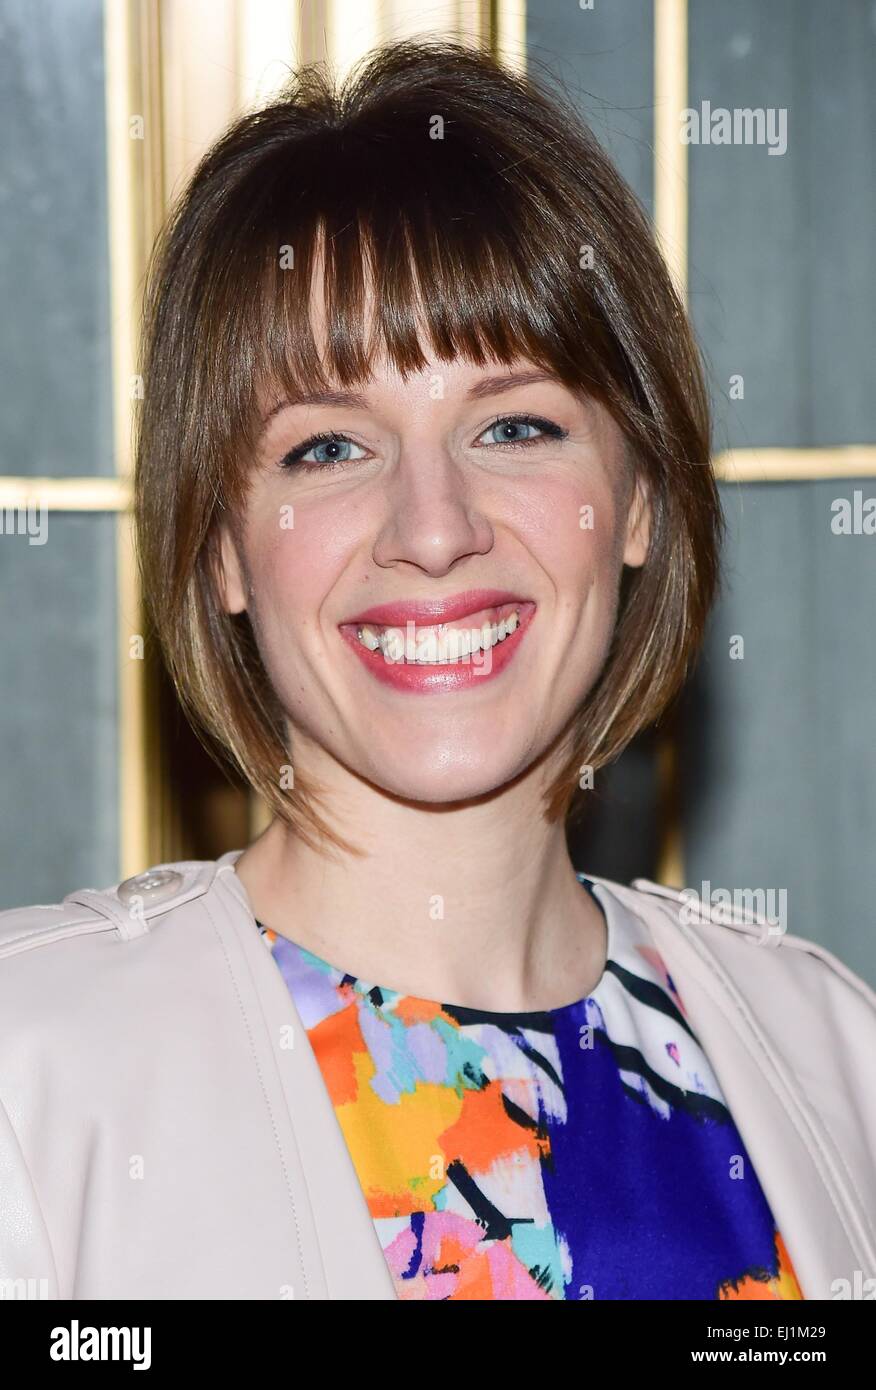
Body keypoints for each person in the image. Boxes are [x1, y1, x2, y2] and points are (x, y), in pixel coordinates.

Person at [1, 37, 874, 1303]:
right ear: (221, 548)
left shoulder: (834, 1056)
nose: (433, 525)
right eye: (326, 448)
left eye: (515, 425)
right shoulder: (34, 1083)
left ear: (637, 499)